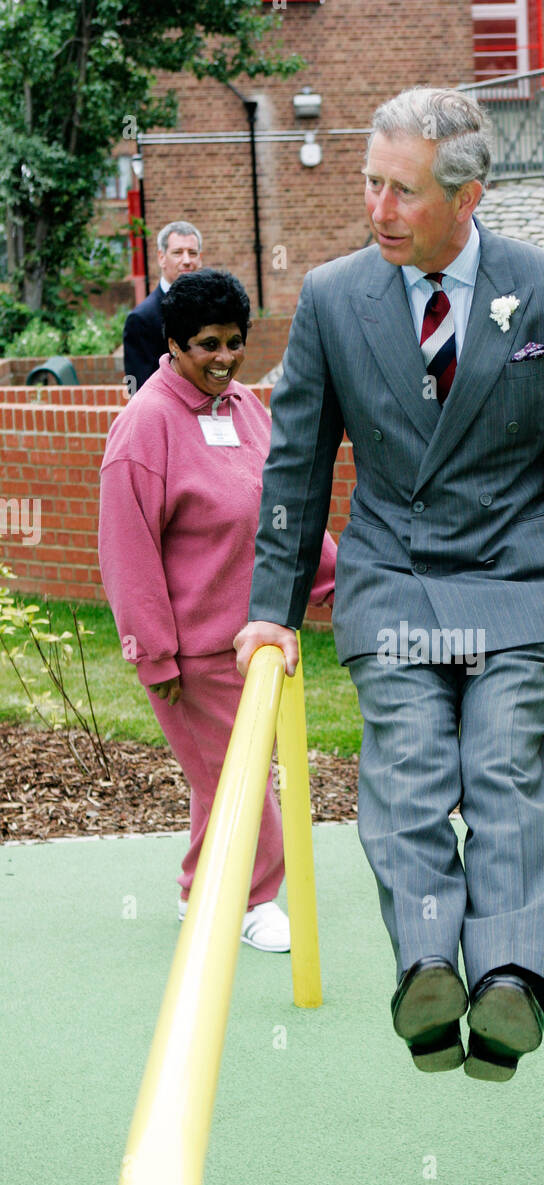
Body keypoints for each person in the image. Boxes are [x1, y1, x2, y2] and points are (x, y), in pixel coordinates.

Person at [235, 87, 544, 1072]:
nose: (377, 208)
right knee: (411, 763)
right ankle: (429, 968)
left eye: (403, 191)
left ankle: (508, 981)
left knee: (507, 761)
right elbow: (295, 463)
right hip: (394, 576)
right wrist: (271, 608)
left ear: (467, 197)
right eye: (370, 184)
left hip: (519, 576)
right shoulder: (335, 299)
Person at [100, 268, 337, 952]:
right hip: (195, 653)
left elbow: (281, 510)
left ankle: (202, 887)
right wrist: (154, 653)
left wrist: (340, 577)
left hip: (257, 638)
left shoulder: (244, 409)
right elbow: (126, 550)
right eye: (207, 345)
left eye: (235, 342)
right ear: (171, 345)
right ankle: (251, 899)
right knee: (237, 778)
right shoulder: (144, 428)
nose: (225, 359)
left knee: (225, 776)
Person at [122, 221, 203, 391]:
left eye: (192, 253)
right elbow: (138, 390)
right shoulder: (141, 319)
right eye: (178, 253)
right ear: (161, 258)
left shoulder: (209, 309)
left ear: (200, 258)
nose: (187, 260)